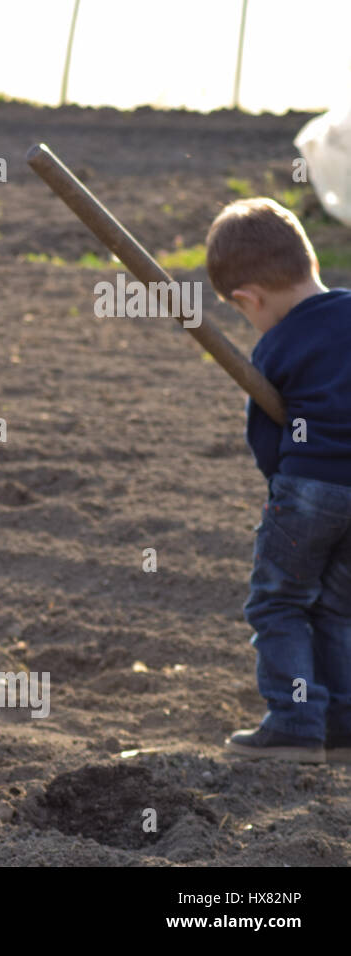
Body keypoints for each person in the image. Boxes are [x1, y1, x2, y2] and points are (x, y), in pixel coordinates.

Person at [209, 197, 351, 763]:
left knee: (280, 601)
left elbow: (265, 438)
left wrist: (280, 493)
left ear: (249, 298)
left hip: (309, 491)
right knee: (338, 608)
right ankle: (342, 725)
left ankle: (294, 721)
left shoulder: (276, 344)